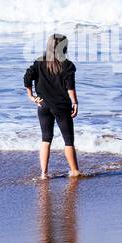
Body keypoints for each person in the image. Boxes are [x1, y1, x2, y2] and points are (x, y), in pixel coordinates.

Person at [23, 33, 81, 179]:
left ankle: (44, 173)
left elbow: (27, 78)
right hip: (61, 106)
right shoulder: (67, 65)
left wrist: (31, 97)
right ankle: (74, 170)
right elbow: (70, 88)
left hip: (43, 105)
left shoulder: (39, 62)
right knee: (68, 140)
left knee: (46, 138)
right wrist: (75, 102)